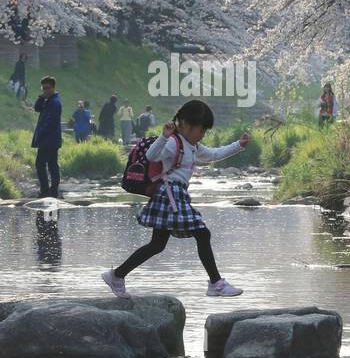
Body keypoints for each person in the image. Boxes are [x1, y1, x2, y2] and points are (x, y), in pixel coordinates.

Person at [101, 100, 251, 299]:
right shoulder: (173, 142)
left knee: (157, 245)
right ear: (187, 125)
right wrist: (164, 136)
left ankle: (116, 275)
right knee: (202, 233)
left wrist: (238, 145)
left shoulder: (193, 146)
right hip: (169, 194)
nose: (202, 134)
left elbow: (214, 154)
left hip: (175, 195)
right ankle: (216, 283)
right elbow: (152, 155)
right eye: (201, 129)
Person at [32, 76, 63, 198]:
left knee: (41, 164)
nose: (45, 90)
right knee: (51, 164)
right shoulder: (48, 100)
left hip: (49, 139)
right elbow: (36, 108)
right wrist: (41, 97)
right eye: (43, 88)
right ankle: (52, 190)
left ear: (53, 88)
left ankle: (46, 190)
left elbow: (51, 122)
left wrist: (41, 134)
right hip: (50, 139)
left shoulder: (55, 102)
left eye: (47, 88)